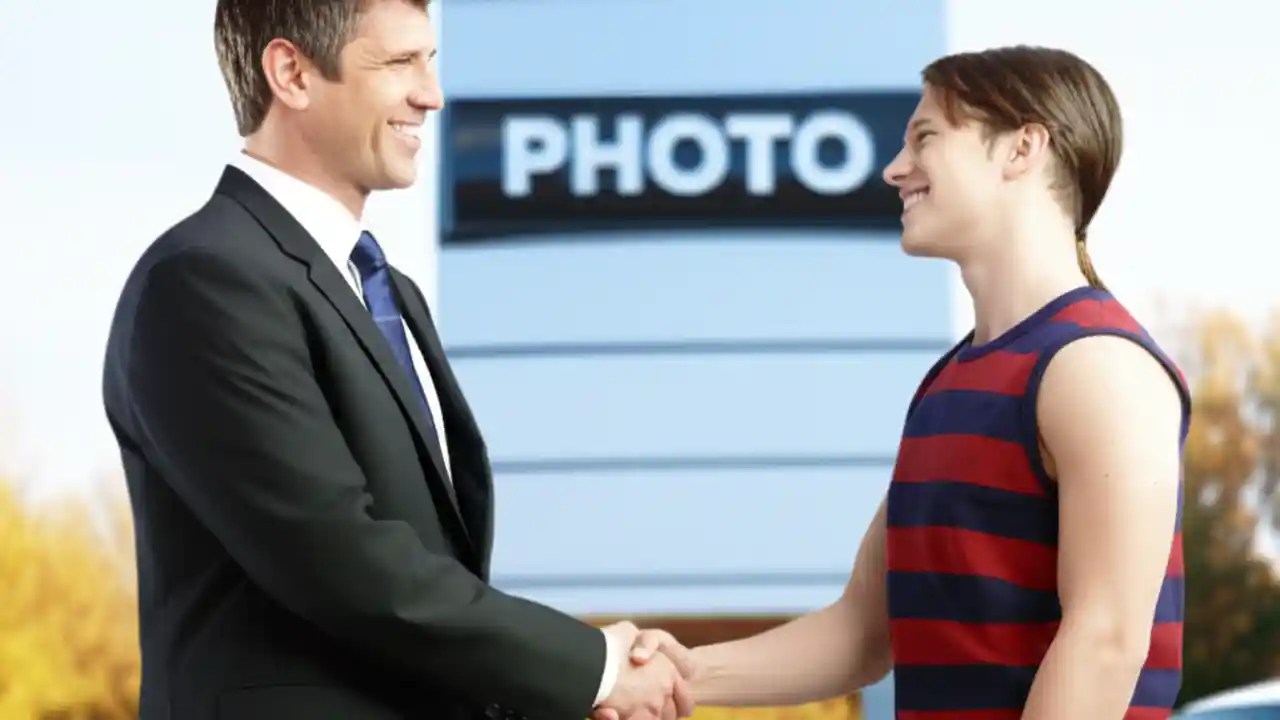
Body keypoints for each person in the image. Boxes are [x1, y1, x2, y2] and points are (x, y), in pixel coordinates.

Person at [100, 1, 693, 718]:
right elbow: (339, 559)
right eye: (399, 63)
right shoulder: (206, 279)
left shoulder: (386, 289)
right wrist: (592, 669)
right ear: (291, 73)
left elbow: (424, 563)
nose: (431, 95)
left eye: (430, 62)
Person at [616, 45, 1190, 720]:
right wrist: (683, 674)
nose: (895, 169)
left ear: (1021, 149)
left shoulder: (1099, 366)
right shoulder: (951, 383)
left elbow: (1105, 641)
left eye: (925, 138)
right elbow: (864, 632)